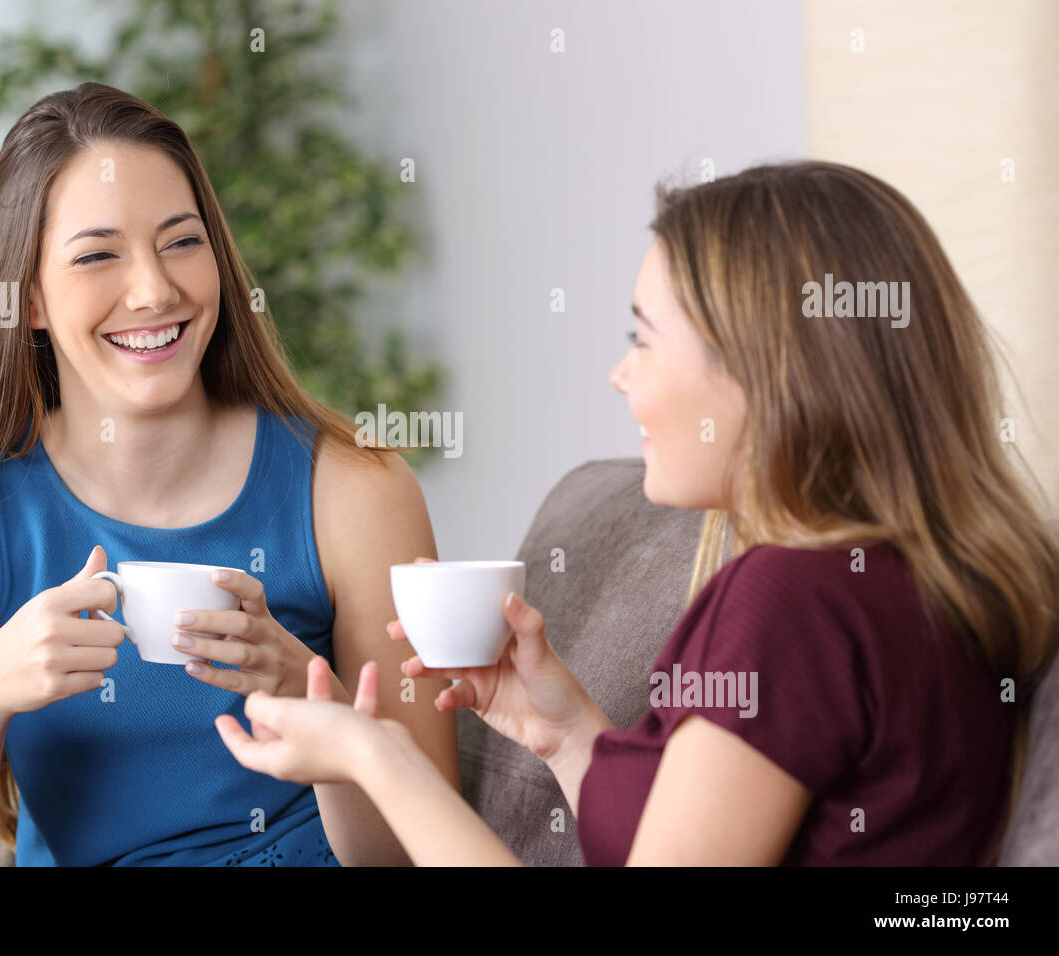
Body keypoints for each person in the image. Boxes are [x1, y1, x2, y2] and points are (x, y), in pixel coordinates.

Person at [215, 160, 1059, 865]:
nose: (623, 378)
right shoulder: (903, 577)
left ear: (763, 375)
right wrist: (563, 731)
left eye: (642, 339)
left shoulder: (792, 602)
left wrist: (378, 756)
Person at [0, 82, 457, 866]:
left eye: (181, 241)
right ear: (28, 298)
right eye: (98, 255)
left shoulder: (358, 493)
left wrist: (313, 704)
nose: (154, 290)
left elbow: (423, 855)